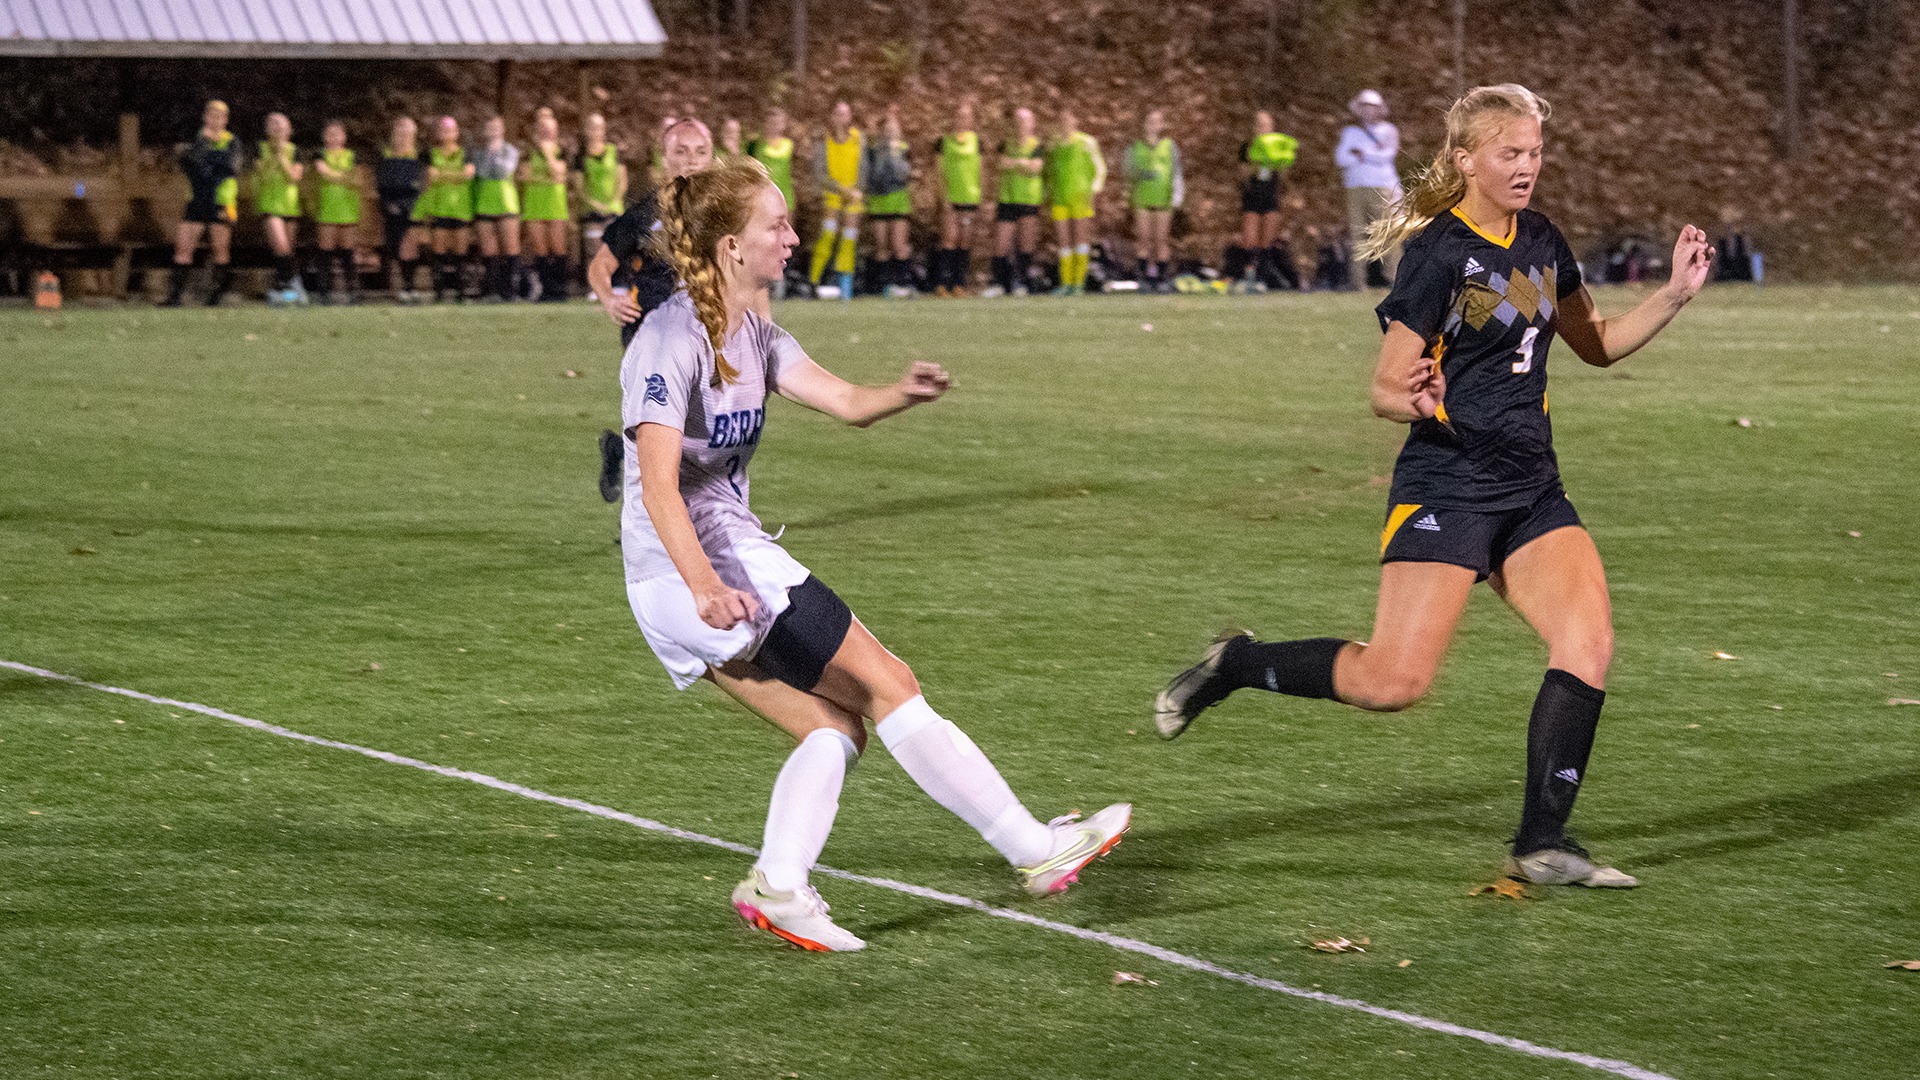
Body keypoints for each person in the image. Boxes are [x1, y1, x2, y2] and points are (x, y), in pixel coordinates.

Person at [1154, 83, 1715, 890]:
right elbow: (1383, 386)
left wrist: (1672, 296)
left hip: (1531, 488)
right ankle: (1237, 664)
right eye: (1510, 153)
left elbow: (1596, 345)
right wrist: (1410, 398)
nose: (1527, 167)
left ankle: (1543, 842)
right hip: (1448, 482)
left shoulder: (1545, 242)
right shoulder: (1439, 254)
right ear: (1467, 160)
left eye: (1535, 154)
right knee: (1394, 683)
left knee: (1587, 643)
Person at [623, 156, 1131, 950]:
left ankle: (779, 886)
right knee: (889, 683)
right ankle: (1037, 850)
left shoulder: (756, 331)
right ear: (730, 247)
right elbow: (658, 487)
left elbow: (845, 401)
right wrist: (703, 587)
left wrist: (903, 391)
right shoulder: (669, 338)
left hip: (695, 579)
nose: (794, 237)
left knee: (834, 730)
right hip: (700, 570)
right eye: (777, 225)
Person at [588, 117, 716, 503]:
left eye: (700, 152)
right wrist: (610, 299)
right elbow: (600, 266)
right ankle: (653, 524)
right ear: (664, 159)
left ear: (712, 158)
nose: (691, 161)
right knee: (667, 428)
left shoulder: (726, 214)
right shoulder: (644, 215)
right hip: (650, 333)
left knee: (688, 430)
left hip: (703, 332)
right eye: (680, 152)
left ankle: (621, 454)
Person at [163, 100, 240, 307]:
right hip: (196, 199)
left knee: (220, 248)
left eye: (219, 116)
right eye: (211, 115)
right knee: (183, 247)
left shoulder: (233, 141)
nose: (215, 120)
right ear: (205, 117)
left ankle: (215, 297)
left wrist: (207, 159)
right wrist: (206, 149)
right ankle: (174, 297)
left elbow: (229, 167)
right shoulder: (197, 139)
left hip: (222, 201)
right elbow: (188, 163)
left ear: (225, 119)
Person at [1336, 89, 1404, 289]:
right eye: (1364, 107)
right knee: (1358, 235)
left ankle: (1396, 279)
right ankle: (1358, 282)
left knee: (1389, 234)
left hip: (1383, 187)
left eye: (1372, 107)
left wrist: (1361, 154)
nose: (1368, 111)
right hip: (1355, 187)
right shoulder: (1350, 132)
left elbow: (1388, 155)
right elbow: (1341, 159)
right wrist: (1372, 154)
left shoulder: (1389, 130)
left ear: (1380, 109)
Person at [1230, 111, 1298, 291]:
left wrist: (1279, 162)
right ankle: (1249, 277)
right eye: (1260, 125)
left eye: (1267, 125)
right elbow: (1243, 175)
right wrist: (1258, 160)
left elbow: (1284, 176)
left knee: (1266, 242)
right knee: (1250, 240)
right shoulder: (1247, 146)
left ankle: (1262, 279)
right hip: (1252, 197)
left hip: (1271, 197)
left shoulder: (1278, 145)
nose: (1263, 128)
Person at [414, 116, 475, 302]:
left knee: (460, 253)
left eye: (450, 129)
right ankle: (439, 292)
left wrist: (443, 175)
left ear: (457, 133)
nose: (447, 133)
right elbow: (431, 177)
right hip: (438, 207)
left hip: (460, 208)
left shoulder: (466, 153)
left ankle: (461, 293)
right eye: (442, 129)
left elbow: (468, 175)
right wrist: (455, 175)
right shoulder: (430, 154)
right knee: (439, 252)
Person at [807, 101, 864, 299]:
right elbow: (820, 174)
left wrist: (858, 191)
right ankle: (813, 282)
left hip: (853, 198)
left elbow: (863, 169)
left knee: (849, 239)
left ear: (850, 117)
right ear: (832, 117)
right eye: (837, 114)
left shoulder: (858, 139)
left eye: (844, 114)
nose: (841, 118)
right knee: (828, 236)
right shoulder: (823, 141)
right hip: (833, 196)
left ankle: (845, 287)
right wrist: (841, 189)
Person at [1044, 108, 1104, 295]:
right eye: (1061, 119)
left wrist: (1094, 190)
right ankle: (1066, 283)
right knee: (1063, 241)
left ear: (1075, 121)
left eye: (1068, 119)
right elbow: (1049, 173)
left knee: (1080, 239)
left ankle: (1079, 283)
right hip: (1060, 198)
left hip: (1081, 197)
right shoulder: (1054, 146)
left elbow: (1100, 168)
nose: (1065, 123)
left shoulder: (1087, 142)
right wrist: (1048, 193)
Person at [987, 107, 1044, 296]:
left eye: (1025, 121)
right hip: (1007, 199)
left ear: (1032, 124)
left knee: (1026, 243)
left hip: (1028, 199)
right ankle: (999, 283)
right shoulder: (1006, 144)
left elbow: (1036, 168)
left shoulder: (1037, 146)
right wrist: (1023, 163)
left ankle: (1022, 282)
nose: (1021, 125)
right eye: (1018, 121)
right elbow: (1001, 163)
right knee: (1001, 243)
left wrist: (1015, 163)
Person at [1124, 108, 1182, 292]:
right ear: (1143, 124)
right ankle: (1144, 279)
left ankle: (1162, 278)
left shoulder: (1170, 146)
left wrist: (1178, 195)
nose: (1153, 125)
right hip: (1142, 198)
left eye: (1157, 121)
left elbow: (1177, 172)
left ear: (1162, 124)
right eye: (1150, 121)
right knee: (1144, 240)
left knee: (1161, 240)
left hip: (1163, 199)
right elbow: (1128, 172)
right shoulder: (1134, 148)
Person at [521, 109, 573, 302]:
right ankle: (546, 290)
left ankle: (560, 289)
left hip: (555, 204)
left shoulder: (563, 150)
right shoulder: (529, 151)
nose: (546, 133)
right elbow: (525, 177)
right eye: (542, 129)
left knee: (558, 247)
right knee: (540, 249)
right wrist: (549, 177)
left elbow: (559, 175)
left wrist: (549, 155)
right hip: (535, 204)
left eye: (550, 130)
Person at [376, 116, 429, 302]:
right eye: (399, 132)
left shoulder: (420, 157)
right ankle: (402, 286)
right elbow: (381, 184)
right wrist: (388, 204)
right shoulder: (385, 156)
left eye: (407, 132)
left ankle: (409, 286)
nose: (403, 136)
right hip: (390, 206)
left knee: (410, 245)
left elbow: (424, 184)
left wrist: (418, 206)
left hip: (413, 206)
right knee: (396, 246)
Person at [932, 98, 982, 296]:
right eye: (960, 116)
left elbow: (981, 170)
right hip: (951, 198)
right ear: (953, 118)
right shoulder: (943, 142)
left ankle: (959, 283)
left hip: (970, 198)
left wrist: (982, 195)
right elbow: (939, 172)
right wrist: (943, 198)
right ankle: (942, 283)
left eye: (967, 117)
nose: (963, 120)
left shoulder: (977, 141)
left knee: (965, 240)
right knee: (949, 239)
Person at [863, 105, 915, 298]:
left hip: (899, 201)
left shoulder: (904, 149)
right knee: (881, 244)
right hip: (878, 201)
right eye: (887, 128)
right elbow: (870, 174)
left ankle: (903, 283)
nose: (891, 131)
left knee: (899, 243)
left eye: (894, 128)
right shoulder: (873, 149)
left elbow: (907, 174)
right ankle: (882, 284)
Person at [255, 113, 306, 304]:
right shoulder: (260, 149)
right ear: (267, 130)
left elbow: (293, 177)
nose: (277, 128)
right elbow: (265, 177)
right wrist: (274, 154)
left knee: (285, 253)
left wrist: (281, 156)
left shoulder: (295, 151)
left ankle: (286, 292)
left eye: (281, 125)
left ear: (289, 130)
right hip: (270, 206)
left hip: (290, 208)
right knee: (281, 246)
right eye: (272, 124)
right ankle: (293, 287)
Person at [470, 115, 522, 303]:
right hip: (484, 203)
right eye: (489, 127)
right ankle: (491, 290)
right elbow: (479, 173)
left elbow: (503, 171)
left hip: (506, 203)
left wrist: (493, 155)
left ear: (502, 130)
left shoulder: (510, 151)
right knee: (488, 250)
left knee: (510, 247)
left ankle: (510, 291)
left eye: (496, 127)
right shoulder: (477, 153)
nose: (492, 131)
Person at [311, 120, 362, 304]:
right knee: (326, 251)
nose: (333, 138)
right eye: (329, 134)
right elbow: (323, 172)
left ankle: (352, 290)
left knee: (348, 251)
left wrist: (336, 176)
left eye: (337, 134)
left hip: (347, 208)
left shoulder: (351, 156)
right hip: (327, 208)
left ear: (344, 137)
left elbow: (355, 179)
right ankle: (324, 291)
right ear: (324, 136)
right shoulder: (320, 154)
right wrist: (342, 175)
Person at [746, 108, 797, 297]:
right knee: (764, 239)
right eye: (771, 121)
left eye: (779, 121)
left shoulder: (788, 145)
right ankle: (761, 280)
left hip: (785, 198)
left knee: (783, 240)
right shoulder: (755, 145)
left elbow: (788, 174)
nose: (775, 125)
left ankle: (782, 280)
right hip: (763, 200)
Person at [576, 112, 629, 279]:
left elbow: (622, 180)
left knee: (614, 249)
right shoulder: (580, 157)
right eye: (591, 127)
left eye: (598, 127)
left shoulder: (614, 152)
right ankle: (595, 285)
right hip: (591, 209)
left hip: (613, 208)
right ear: (586, 130)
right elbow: (579, 185)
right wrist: (594, 203)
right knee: (594, 249)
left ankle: (617, 284)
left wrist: (613, 201)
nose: (595, 131)